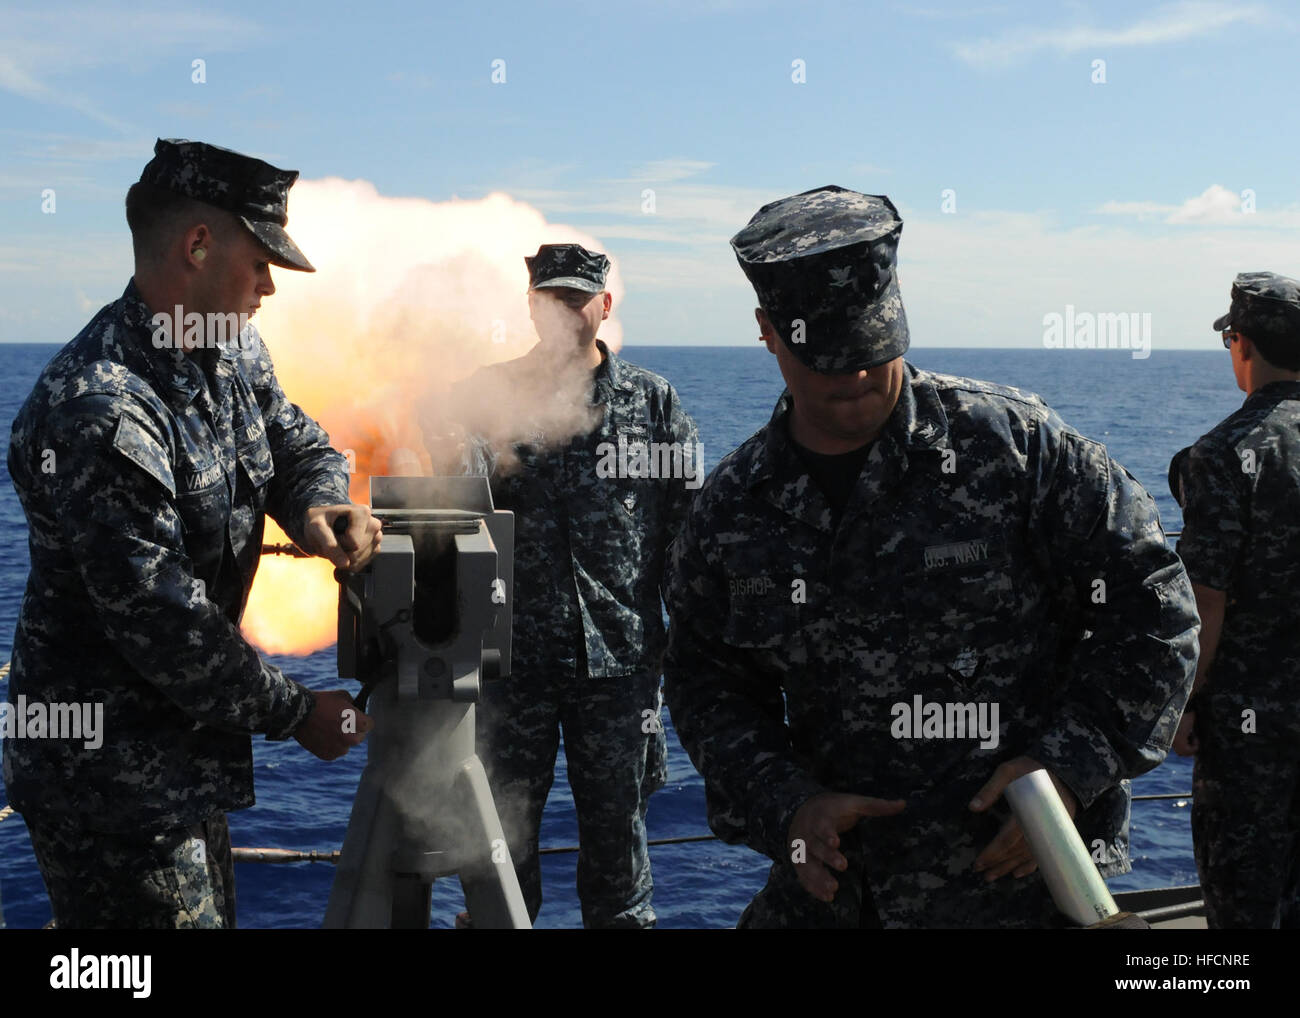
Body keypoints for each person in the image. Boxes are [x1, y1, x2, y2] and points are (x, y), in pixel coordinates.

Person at [663, 185, 1199, 928]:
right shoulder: (731, 511)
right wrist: (787, 805)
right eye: (826, 357)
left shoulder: (1018, 449)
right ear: (767, 333)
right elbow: (706, 684)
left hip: (1029, 884)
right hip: (847, 899)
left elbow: (1154, 611)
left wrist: (1071, 769)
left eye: (869, 350)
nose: (853, 377)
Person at [2, 138, 382, 929]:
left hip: (184, 756)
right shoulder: (102, 408)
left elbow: (293, 441)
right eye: (259, 262)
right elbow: (164, 621)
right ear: (198, 246)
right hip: (108, 784)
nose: (269, 286)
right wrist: (295, 714)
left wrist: (316, 508)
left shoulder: (228, 347)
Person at [423, 243, 699, 928]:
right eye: (553, 300)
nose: (568, 314)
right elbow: (461, 481)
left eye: (580, 299)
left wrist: (691, 640)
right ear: (531, 307)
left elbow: (688, 526)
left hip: (621, 669)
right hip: (513, 666)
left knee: (618, 848)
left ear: (605, 306)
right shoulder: (486, 395)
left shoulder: (652, 402)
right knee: (502, 849)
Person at [1168, 271, 1300, 929]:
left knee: (1246, 905)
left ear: (1240, 343)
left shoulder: (1223, 454)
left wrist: (1186, 701)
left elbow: (1205, 601)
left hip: (1255, 735)